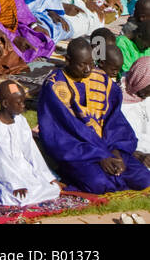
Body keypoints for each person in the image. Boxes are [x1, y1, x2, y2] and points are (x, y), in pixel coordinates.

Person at [37, 37, 150, 193]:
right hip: (79, 153)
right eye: (82, 64)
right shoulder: (55, 85)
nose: (88, 70)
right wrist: (100, 156)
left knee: (143, 178)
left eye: (91, 64)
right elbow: (60, 134)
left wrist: (116, 151)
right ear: (68, 60)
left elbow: (115, 121)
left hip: (108, 146)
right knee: (100, 183)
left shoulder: (102, 80)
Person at [0, 78, 64, 207]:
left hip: (24, 169)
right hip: (4, 175)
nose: (23, 106)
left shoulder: (21, 120)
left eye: (24, 102)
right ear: (5, 103)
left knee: (52, 188)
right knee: (16, 198)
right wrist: (15, 184)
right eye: (19, 103)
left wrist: (48, 177)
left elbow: (31, 152)